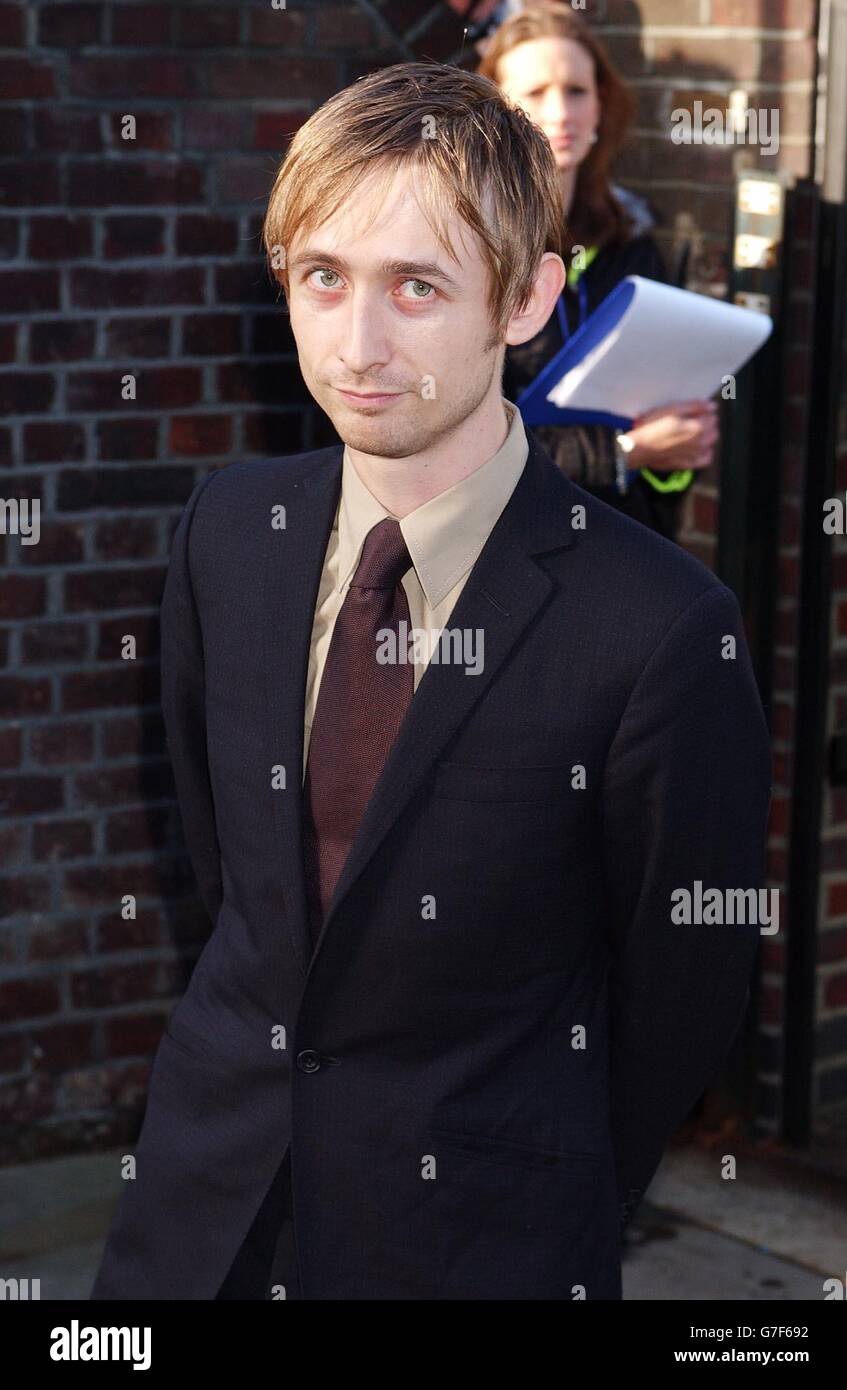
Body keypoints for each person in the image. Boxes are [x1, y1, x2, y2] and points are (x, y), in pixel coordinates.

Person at [90, 60, 772, 1302]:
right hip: (198, 1220)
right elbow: (229, 869)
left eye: (416, 285)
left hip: (479, 1242)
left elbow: (681, 987)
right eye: (323, 278)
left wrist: (551, 1188)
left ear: (523, 299)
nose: (357, 344)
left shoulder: (660, 630)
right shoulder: (227, 534)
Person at [478, 2, 718, 540]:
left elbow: (665, 445)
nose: (561, 112)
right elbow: (460, 440)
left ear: (601, 105)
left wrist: (677, 451)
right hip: (499, 547)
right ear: (495, 105)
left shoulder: (632, 241)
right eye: (537, 93)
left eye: (577, 91)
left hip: (620, 547)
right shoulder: (469, 247)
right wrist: (623, 452)